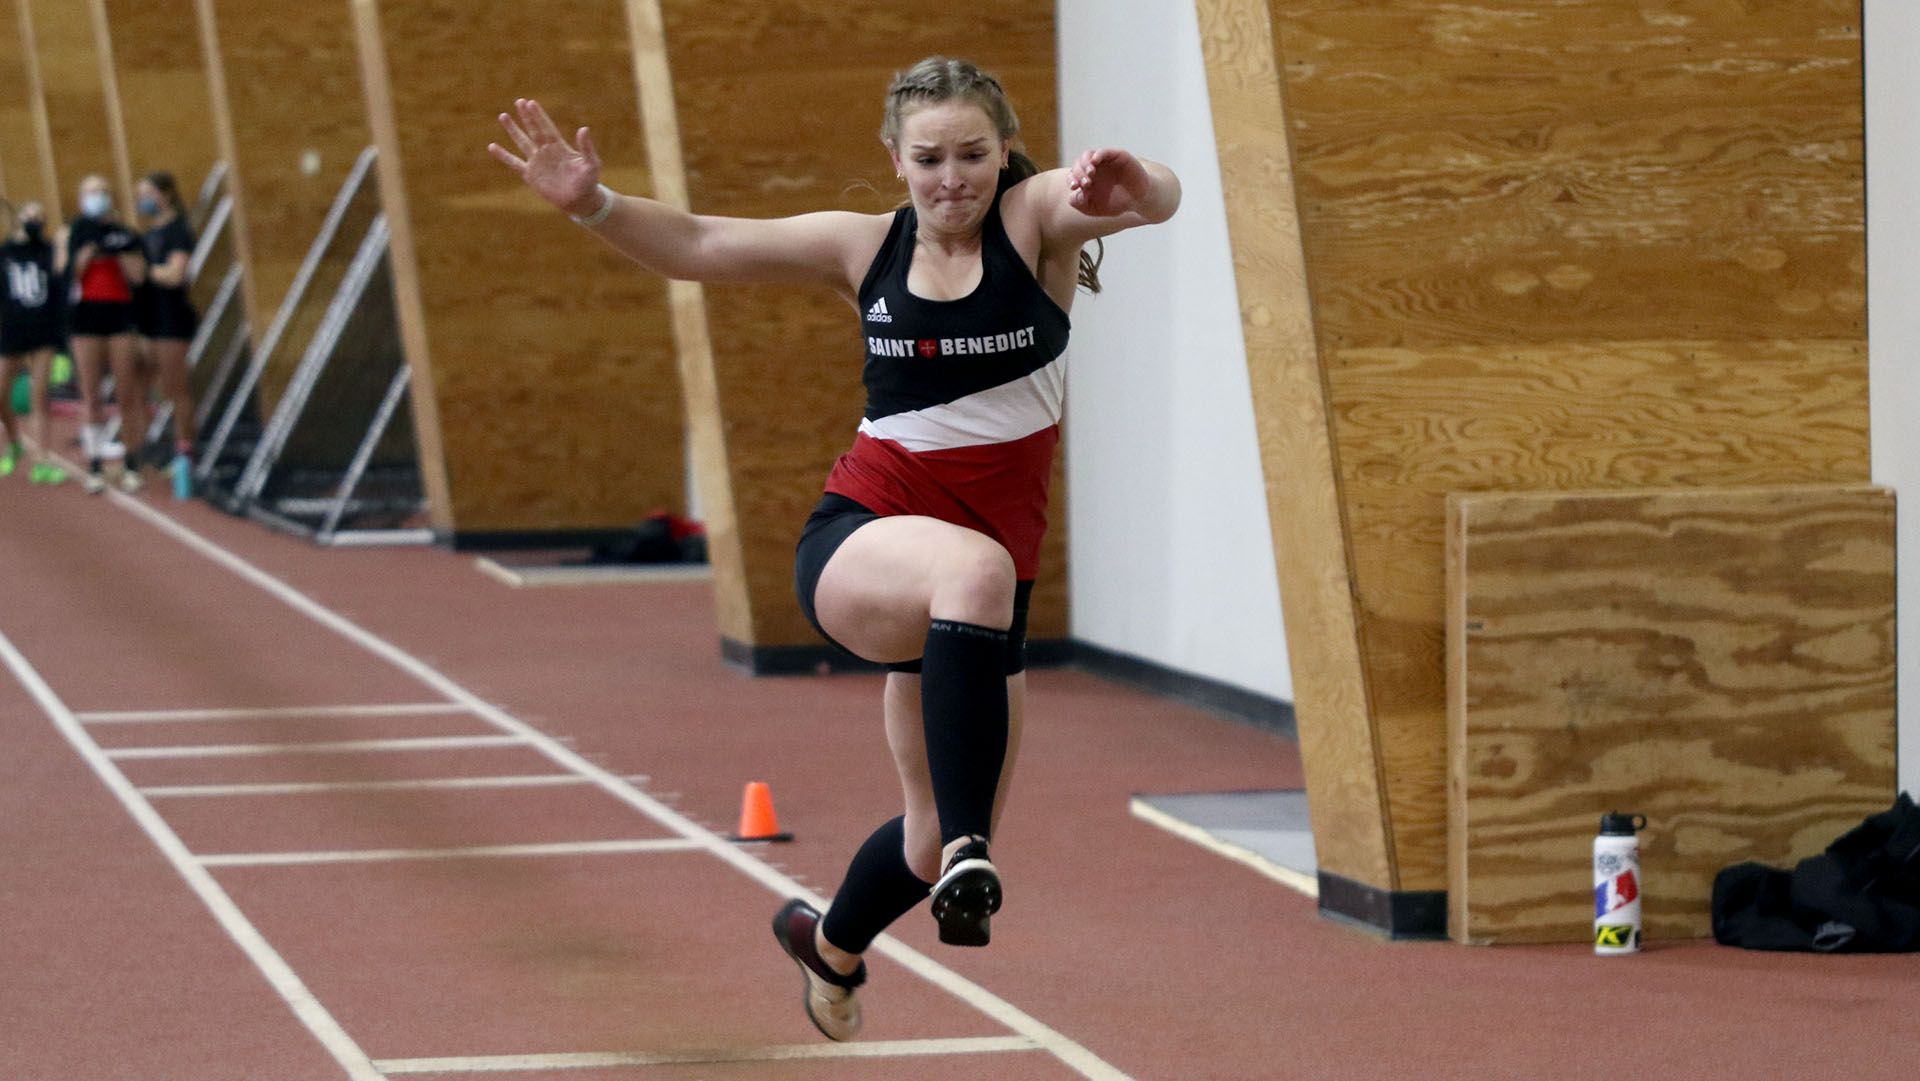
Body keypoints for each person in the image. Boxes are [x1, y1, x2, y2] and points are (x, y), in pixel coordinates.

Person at [490, 56, 1180, 1041]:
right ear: (895, 161)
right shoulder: (862, 247)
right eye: (930, 158)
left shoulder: (1035, 222)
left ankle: (832, 944)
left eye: (973, 155)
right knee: (973, 583)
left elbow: (1163, 198)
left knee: (928, 833)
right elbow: (697, 241)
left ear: (1003, 153)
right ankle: (977, 853)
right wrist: (592, 202)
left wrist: (1138, 183)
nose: (953, 180)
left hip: (974, 602)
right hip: (863, 544)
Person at [54, 174, 146, 494]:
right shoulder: (76, 231)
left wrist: (117, 250)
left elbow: (138, 275)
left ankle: (132, 462)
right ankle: (95, 462)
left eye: (101, 192)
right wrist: (90, 249)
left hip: (119, 312)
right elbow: (68, 272)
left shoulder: (124, 234)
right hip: (85, 316)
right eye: (90, 192)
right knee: (90, 392)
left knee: (127, 391)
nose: (97, 197)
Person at [134, 171, 200, 498]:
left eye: (148, 192)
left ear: (167, 193)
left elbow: (176, 275)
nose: (143, 199)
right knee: (144, 384)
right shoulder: (149, 233)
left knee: (176, 388)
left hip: (172, 319)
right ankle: (150, 450)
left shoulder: (178, 232)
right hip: (149, 320)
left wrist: (145, 271)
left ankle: (185, 454)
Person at [1, 200, 66, 484]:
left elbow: (60, 286)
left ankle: (42, 459)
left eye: (41, 216)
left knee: (39, 394)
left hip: (44, 331)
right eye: (31, 214)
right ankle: (15, 442)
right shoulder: (5, 253)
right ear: (19, 218)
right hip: (12, 330)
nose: (36, 220)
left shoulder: (48, 250)